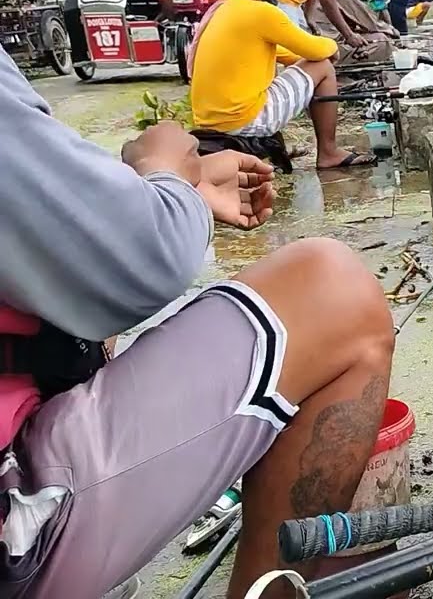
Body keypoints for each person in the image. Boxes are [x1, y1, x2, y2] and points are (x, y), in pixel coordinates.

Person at [0, 41, 395, 597]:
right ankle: (274, 587)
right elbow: (138, 257)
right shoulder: (266, 11)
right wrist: (161, 177)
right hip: (13, 524)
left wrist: (166, 193)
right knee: (335, 288)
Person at [191, 0, 376, 169]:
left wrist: (305, 59)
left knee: (314, 64)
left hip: (210, 119)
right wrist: (331, 47)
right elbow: (316, 49)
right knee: (323, 66)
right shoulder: (261, 13)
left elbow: (281, 53)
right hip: (243, 119)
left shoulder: (224, 9)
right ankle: (329, 152)